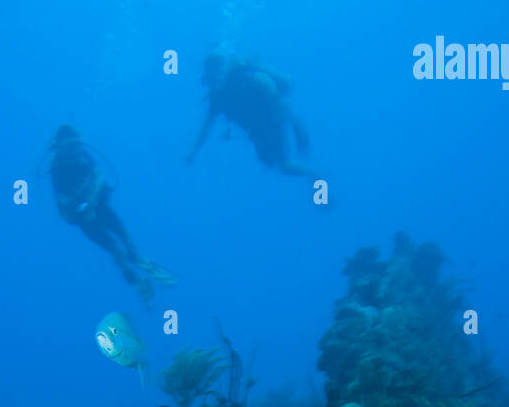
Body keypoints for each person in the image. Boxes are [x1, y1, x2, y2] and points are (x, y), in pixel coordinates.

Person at [48, 125, 170, 302]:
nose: (74, 150)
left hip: (101, 207)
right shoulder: (57, 169)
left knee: (125, 238)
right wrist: (77, 208)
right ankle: (136, 280)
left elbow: (99, 175)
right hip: (84, 220)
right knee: (115, 249)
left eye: (76, 145)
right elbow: (62, 202)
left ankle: (139, 260)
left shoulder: (83, 155)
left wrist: (91, 200)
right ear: (61, 147)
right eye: (69, 146)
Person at [185, 55, 312, 176]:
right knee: (270, 162)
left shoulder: (237, 76)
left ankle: (316, 174)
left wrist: (193, 151)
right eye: (213, 76)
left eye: (219, 71)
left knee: (285, 166)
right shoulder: (217, 100)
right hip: (259, 128)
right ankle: (313, 173)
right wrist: (194, 151)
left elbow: (272, 96)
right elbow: (206, 128)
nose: (218, 77)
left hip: (273, 116)